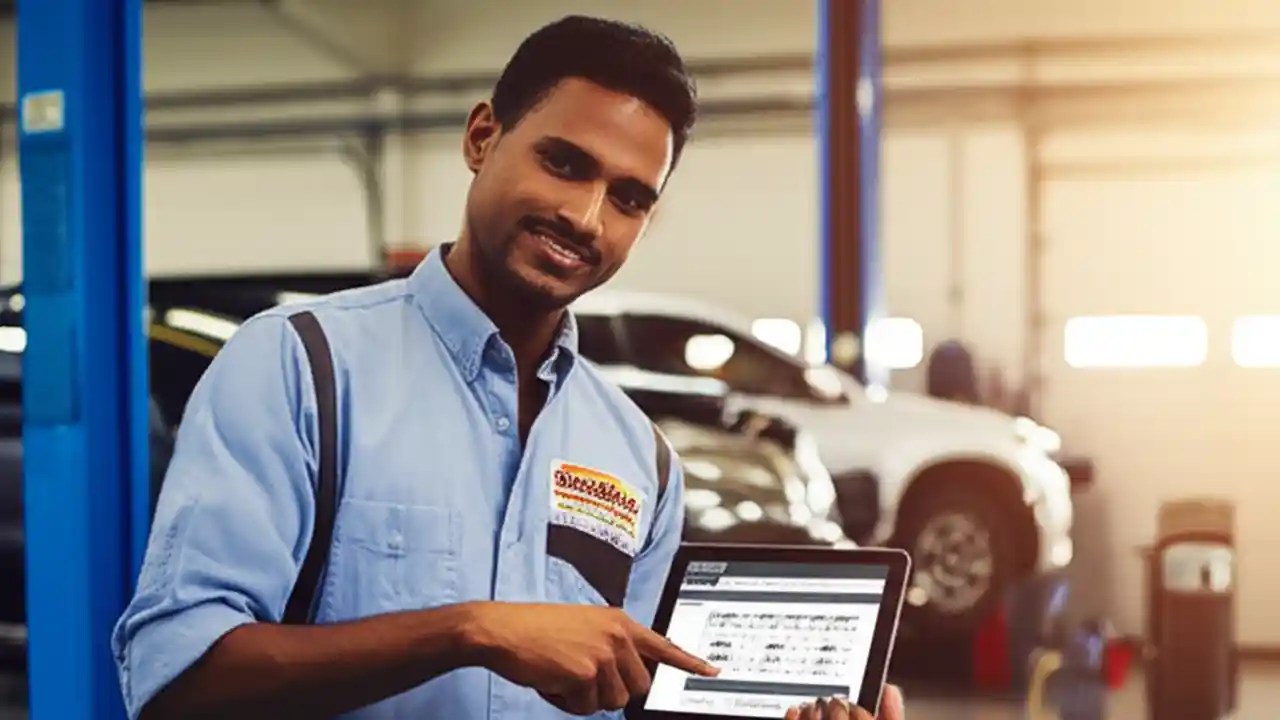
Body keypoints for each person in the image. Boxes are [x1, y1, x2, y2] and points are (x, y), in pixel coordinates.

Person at [112, 14, 903, 720]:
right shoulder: (301, 367)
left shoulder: (641, 459)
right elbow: (178, 679)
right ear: (482, 137)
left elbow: (628, 703)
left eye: (629, 199)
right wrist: (470, 631)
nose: (585, 217)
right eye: (564, 164)